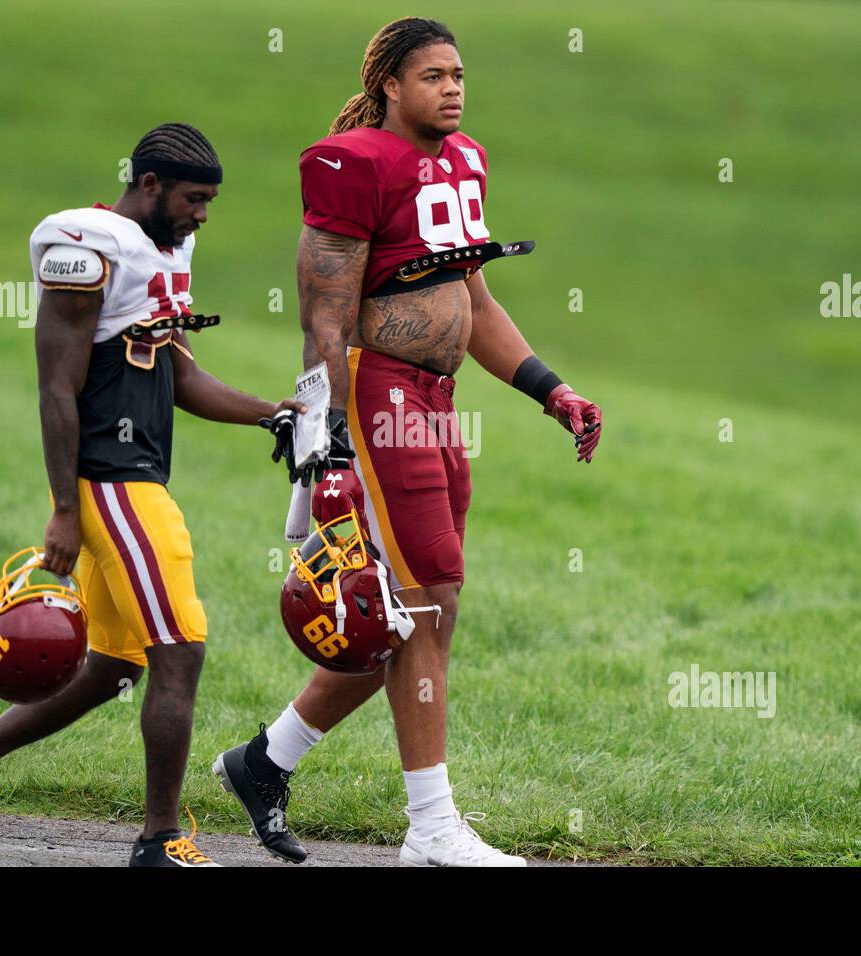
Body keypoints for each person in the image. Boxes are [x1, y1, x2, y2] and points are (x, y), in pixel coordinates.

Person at [214, 19, 602, 867]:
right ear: (389, 83)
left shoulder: (466, 160)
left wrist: (552, 390)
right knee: (425, 597)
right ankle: (430, 826)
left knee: (407, 608)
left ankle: (264, 762)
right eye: (432, 75)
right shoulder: (351, 161)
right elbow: (325, 314)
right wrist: (334, 438)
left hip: (438, 396)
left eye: (459, 73)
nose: (453, 88)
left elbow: (477, 304)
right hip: (377, 391)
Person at [0, 123, 305, 867]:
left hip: (136, 473)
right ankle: (160, 838)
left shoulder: (163, 251)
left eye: (211, 201)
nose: (203, 215)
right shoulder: (83, 241)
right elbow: (56, 383)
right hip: (110, 478)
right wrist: (64, 506)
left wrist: (272, 410)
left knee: (116, 664)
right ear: (148, 184)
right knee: (180, 651)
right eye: (194, 198)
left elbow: (179, 373)